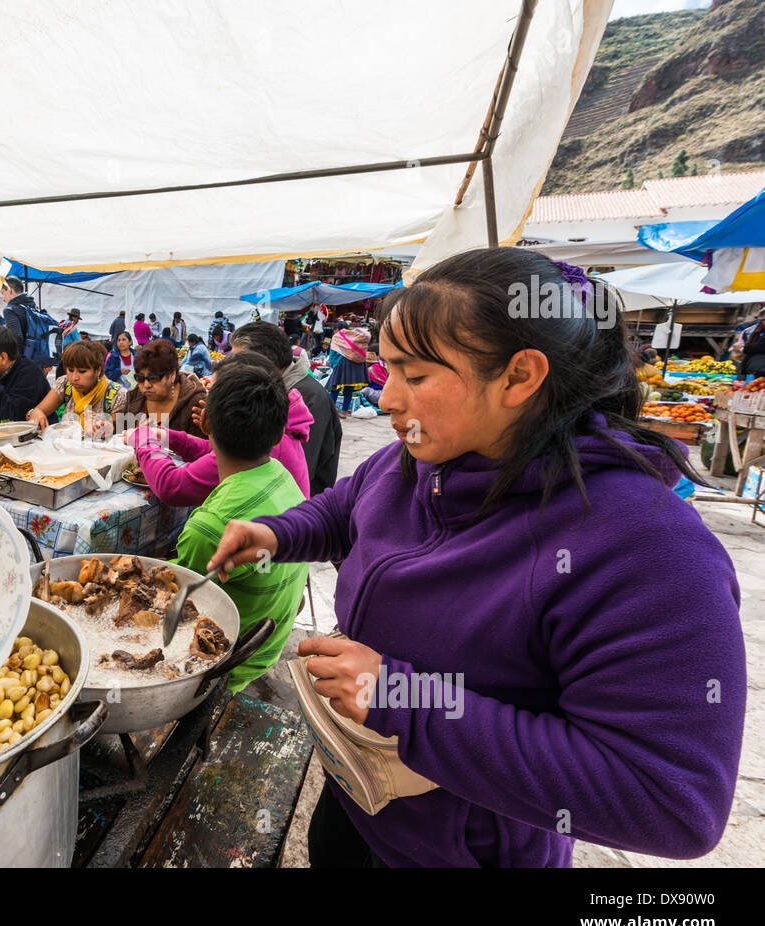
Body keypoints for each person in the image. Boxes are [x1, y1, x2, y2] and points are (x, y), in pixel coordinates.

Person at [208, 247, 744, 868]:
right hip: (360, 805)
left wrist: (402, 700)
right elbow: (343, 510)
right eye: (386, 372)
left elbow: (672, 802)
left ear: (519, 377)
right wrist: (274, 534)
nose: (386, 400)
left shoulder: (646, 549)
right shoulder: (417, 458)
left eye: (414, 375)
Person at [171, 356, 308, 692]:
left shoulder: (209, 527)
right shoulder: (282, 476)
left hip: (227, 666)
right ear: (278, 436)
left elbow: (176, 607)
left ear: (204, 422)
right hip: (268, 644)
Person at [129, 351, 311, 506]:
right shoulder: (271, 425)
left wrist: (144, 438)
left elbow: (172, 486)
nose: (209, 396)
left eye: (215, 391)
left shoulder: (264, 444)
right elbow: (214, 452)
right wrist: (170, 437)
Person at [230, 320, 342, 495]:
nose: (234, 370)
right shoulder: (271, 389)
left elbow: (296, 473)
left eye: (240, 363)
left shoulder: (308, 398)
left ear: (266, 361)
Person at [110, 338, 207, 438]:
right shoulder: (136, 396)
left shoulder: (195, 402)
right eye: (140, 378)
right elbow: (122, 427)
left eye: (153, 378)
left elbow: (202, 447)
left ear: (172, 375)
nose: (146, 385)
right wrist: (110, 427)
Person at [26, 340, 123, 436]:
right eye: (70, 370)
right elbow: (38, 412)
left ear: (98, 371)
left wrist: (106, 427)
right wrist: (35, 413)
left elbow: (121, 429)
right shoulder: (65, 384)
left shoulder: (116, 395)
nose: (74, 378)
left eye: (82, 371)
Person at [327, 325, 371, 417]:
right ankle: (344, 412)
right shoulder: (354, 338)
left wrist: (334, 365)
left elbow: (332, 354)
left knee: (335, 388)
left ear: (336, 329)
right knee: (349, 389)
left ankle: (330, 411)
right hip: (355, 365)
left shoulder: (337, 337)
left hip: (342, 364)